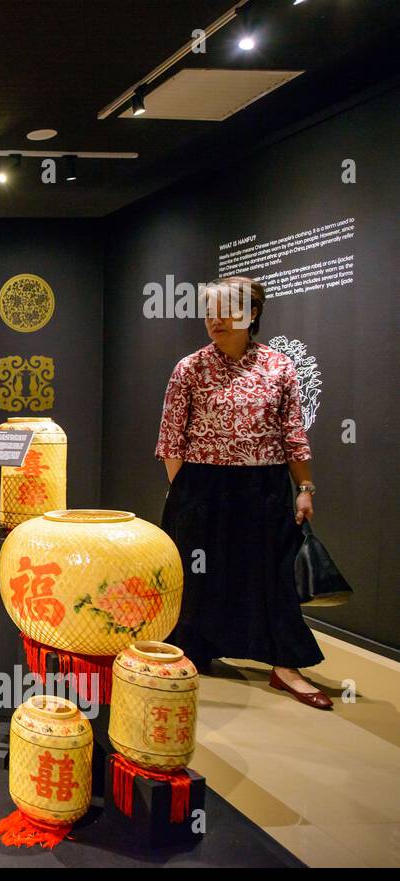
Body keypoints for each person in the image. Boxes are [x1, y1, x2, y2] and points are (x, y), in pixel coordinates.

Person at [156, 276, 329, 709]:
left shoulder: (279, 367)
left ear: (252, 314)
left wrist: (304, 487)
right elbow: (171, 439)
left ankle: (285, 663)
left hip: (263, 485)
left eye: (227, 309)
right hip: (202, 484)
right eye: (209, 310)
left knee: (272, 573)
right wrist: (187, 493)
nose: (215, 319)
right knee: (197, 573)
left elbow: (292, 434)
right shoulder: (190, 368)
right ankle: (193, 650)